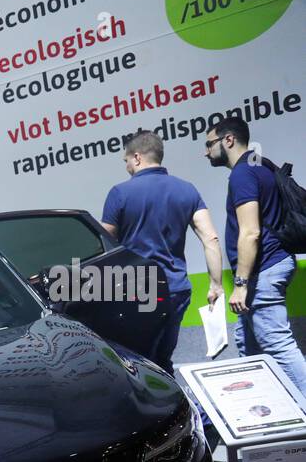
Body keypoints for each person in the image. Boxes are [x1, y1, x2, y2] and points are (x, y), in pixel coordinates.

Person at [101, 129, 224, 375]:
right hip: (176, 289)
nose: (126, 166)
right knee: (164, 358)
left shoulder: (120, 193)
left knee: (137, 363)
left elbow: (103, 243)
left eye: (126, 160)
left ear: (137, 157)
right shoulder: (187, 189)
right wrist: (216, 284)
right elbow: (210, 238)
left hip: (137, 292)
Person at [205, 115, 306, 396]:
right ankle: (261, 417)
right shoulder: (261, 165)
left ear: (228, 140)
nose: (206, 151)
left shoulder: (243, 173)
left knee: (277, 345)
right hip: (273, 264)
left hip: (263, 270)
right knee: (249, 347)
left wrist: (240, 284)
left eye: (209, 144)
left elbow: (250, 232)